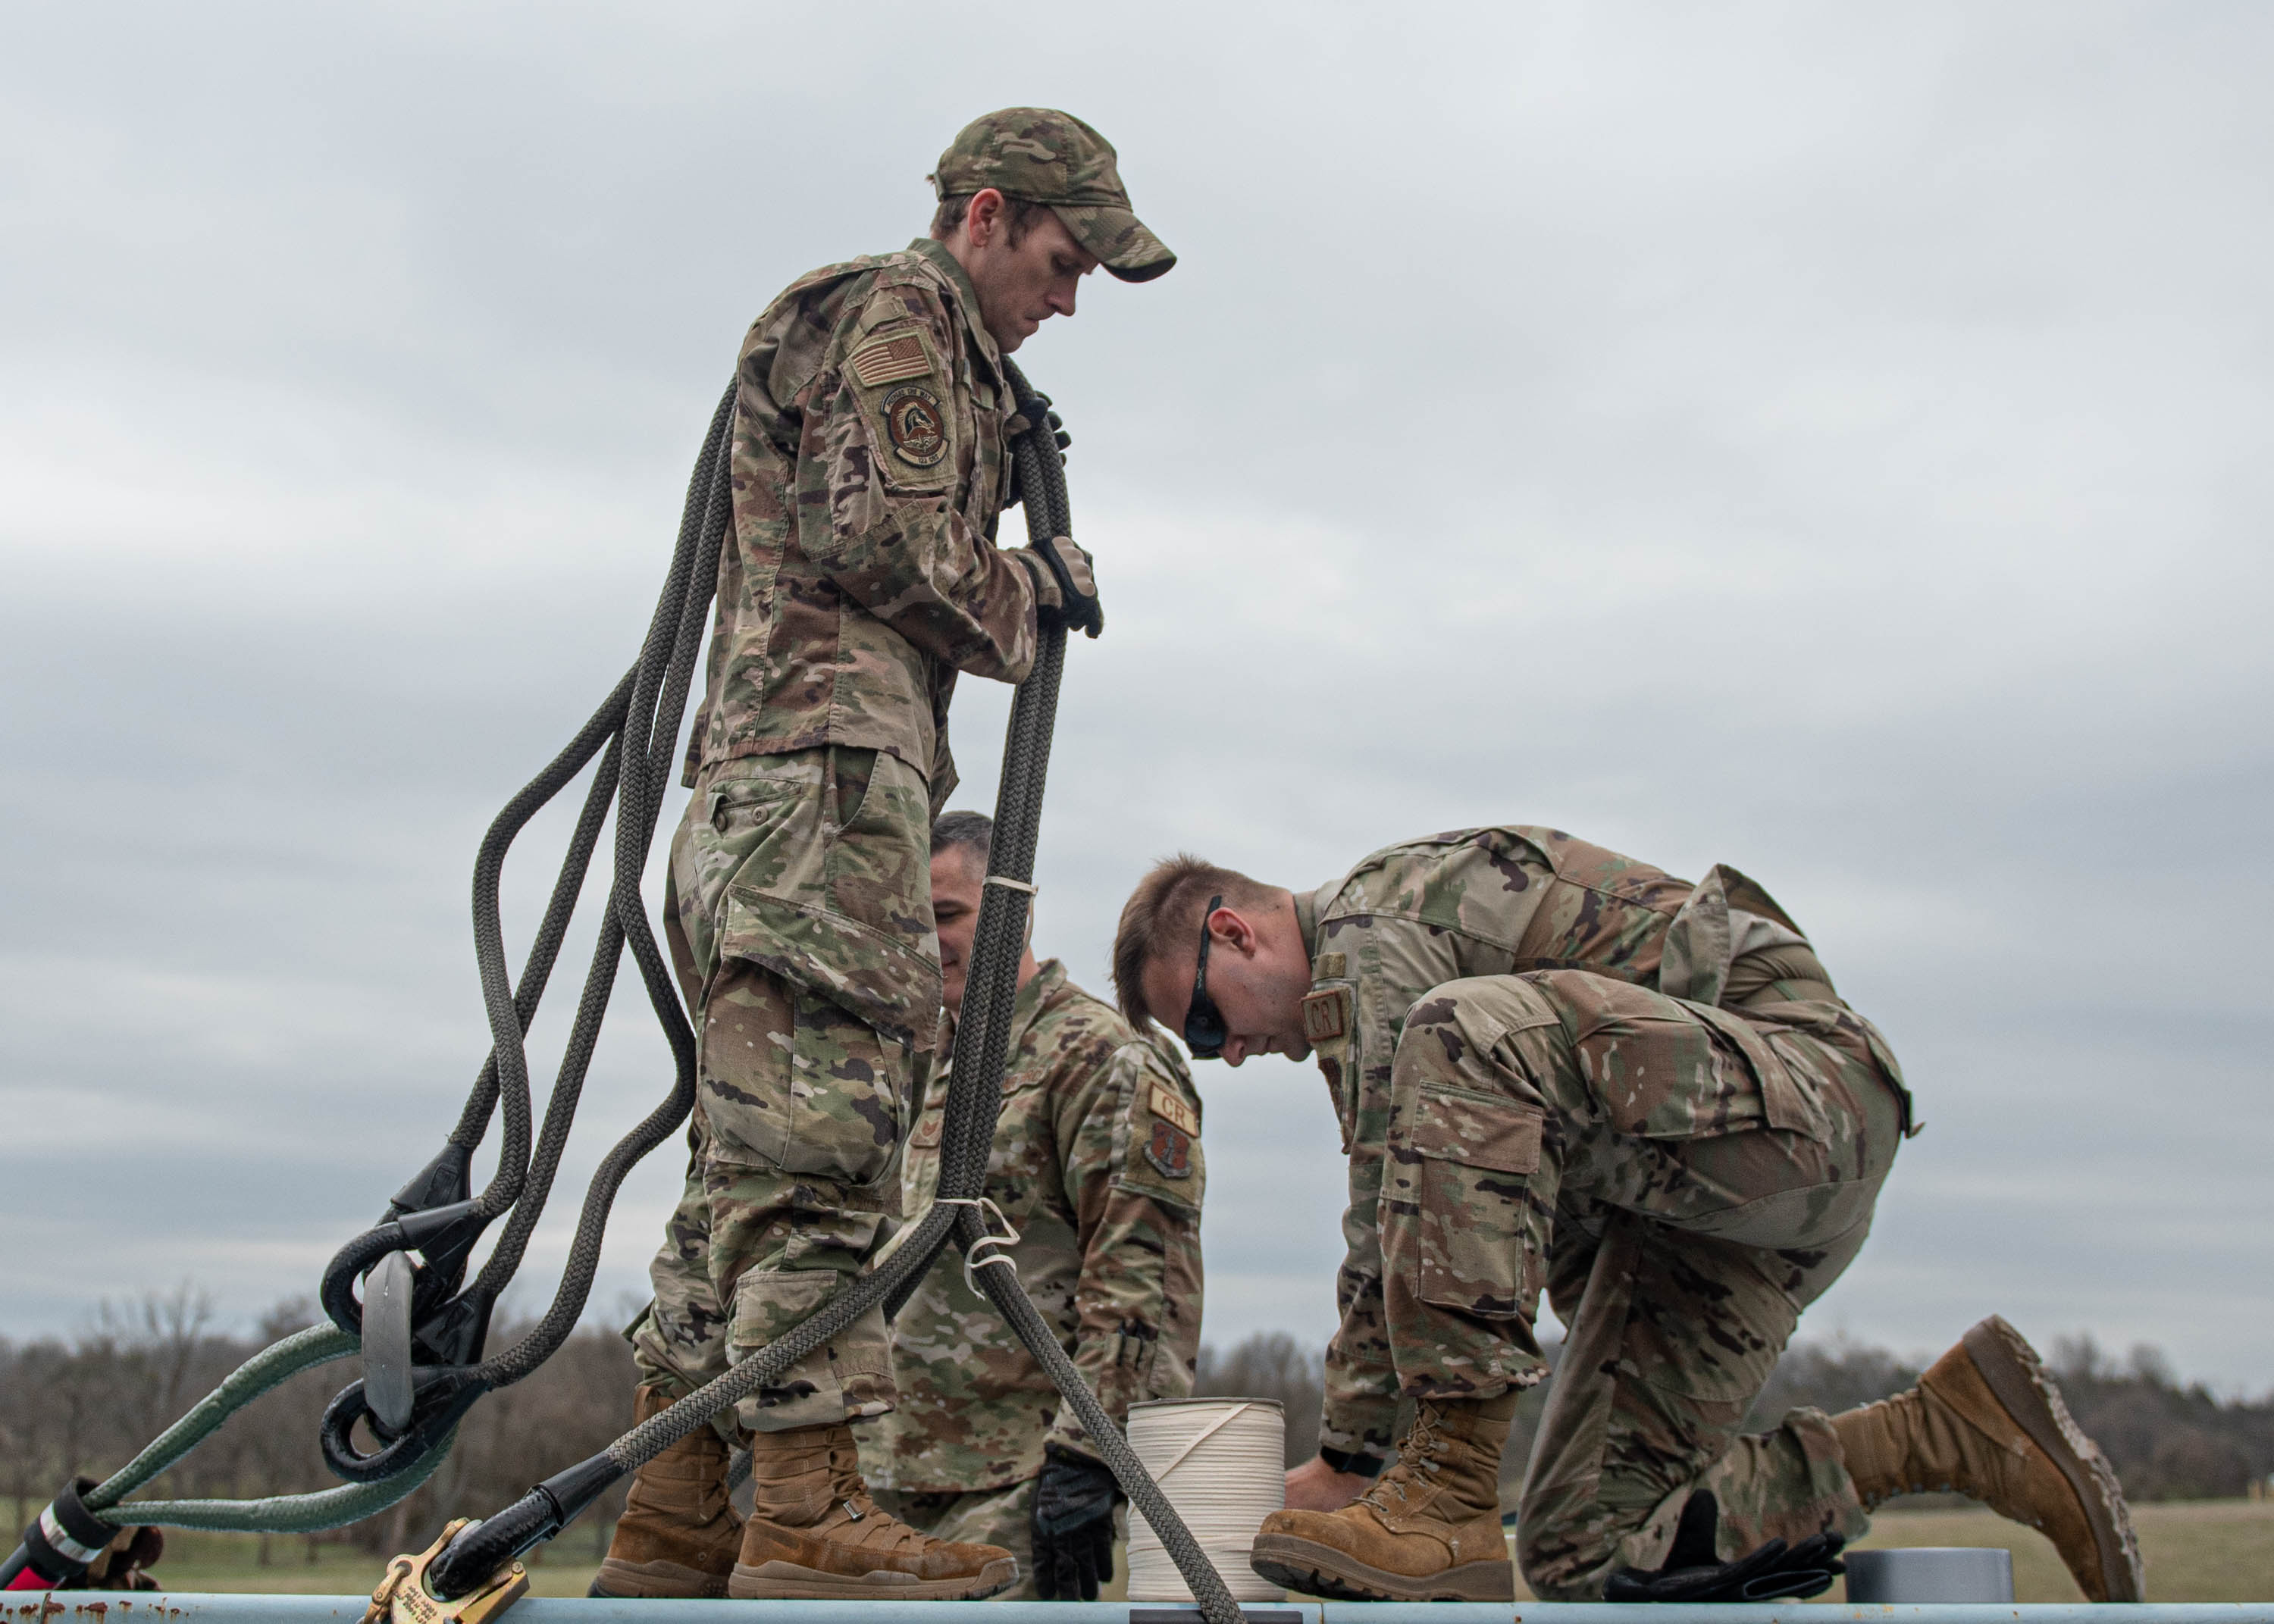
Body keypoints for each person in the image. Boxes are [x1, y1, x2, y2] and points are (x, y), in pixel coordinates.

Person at [594, 108, 1174, 1604]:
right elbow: (885, 541)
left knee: (741, 1167)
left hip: (770, 791)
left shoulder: (888, 330)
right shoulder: (907, 313)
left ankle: (673, 1502)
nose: (1067, 301)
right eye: (1060, 263)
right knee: (826, 1153)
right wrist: (1031, 582)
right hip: (830, 791)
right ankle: (804, 1503)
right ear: (985, 217)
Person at [1111, 826, 2143, 1604]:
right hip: (1705, 1206)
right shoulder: (1380, 992)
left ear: (1235, 931)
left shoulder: (1373, 934)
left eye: (1204, 1022)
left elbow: (1386, 1212)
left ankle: (1451, 1488)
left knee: (1460, 1035)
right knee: (1585, 1548)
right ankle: (1946, 1431)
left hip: (1807, 1101)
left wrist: (1352, 1461)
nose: (1228, 1054)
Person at [858, 811, 1207, 1601]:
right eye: (908, 919)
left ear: (1016, 911)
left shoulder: (1099, 1057)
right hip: (881, 1479)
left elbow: (1144, 1283)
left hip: (1018, 1483)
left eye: (947, 915)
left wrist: (1091, 1458)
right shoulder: (910, 1066)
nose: (925, 941)